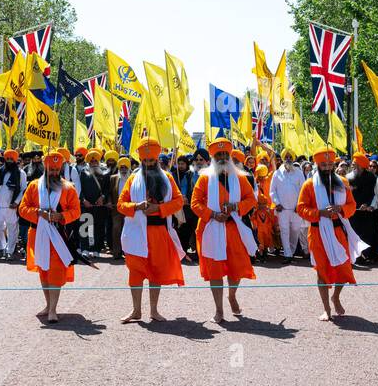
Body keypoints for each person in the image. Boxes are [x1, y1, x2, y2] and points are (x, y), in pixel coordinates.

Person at [117, 138, 185, 323]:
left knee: (156, 271)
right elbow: (120, 205)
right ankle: (136, 310)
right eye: (145, 161)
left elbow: (179, 201)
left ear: (157, 160)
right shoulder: (132, 179)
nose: (148, 164)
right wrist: (136, 206)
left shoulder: (168, 178)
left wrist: (159, 209)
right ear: (141, 160)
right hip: (136, 233)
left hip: (159, 232)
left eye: (151, 161)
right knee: (136, 272)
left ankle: (154, 311)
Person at [191, 138, 257, 322]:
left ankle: (232, 295)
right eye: (218, 154)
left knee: (237, 268)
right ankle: (219, 310)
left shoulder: (241, 178)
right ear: (213, 157)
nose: (221, 157)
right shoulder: (204, 178)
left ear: (229, 156)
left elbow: (251, 200)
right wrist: (212, 214)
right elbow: (195, 203)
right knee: (215, 270)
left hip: (234, 229)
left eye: (224, 154)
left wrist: (236, 206)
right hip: (211, 229)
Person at [297, 146, 363, 321]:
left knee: (343, 268)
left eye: (329, 164)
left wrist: (340, 209)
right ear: (317, 165)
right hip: (317, 232)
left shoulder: (343, 182)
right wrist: (319, 213)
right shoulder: (309, 184)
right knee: (321, 271)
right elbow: (301, 209)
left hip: (338, 231)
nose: (327, 168)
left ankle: (336, 297)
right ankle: (326, 308)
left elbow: (352, 205)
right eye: (323, 165)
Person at [19, 151, 82, 323]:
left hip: (58, 235)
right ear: (45, 167)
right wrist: (38, 213)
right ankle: (48, 304)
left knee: (55, 270)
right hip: (38, 234)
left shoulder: (68, 187)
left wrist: (60, 216)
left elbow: (76, 211)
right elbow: (22, 209)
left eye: (56, 169)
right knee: (44, 271)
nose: (54, 172)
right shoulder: (33, 186)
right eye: (51, 169)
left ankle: (53, 309)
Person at [271, 148, 308, 261]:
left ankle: (290, 252)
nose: (288, 159)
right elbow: (272, 190)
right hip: (282, 209)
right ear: (282, 159)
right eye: (286, 157)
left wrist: (300, 205)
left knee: (295, 231)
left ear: (293, 158)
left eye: (290, 157)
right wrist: (277, 203)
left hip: (296, 209)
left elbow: (303, 190)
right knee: (284, 231)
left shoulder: (299, 172)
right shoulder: (277, 173)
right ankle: (287, 254)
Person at [346, 152, 378, 265]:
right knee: (354, 234)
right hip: (352, 212)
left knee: (366, 234)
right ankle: (355, 256)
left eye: (356, 164)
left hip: (367, 212)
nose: (354, 166)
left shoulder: (372, 177)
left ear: (362, 165)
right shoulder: (348, 177)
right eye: (353, 164)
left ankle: (365, 255)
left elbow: (375, 194)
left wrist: (369, 205)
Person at [0, 150, 22, 258]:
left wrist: (16, 202)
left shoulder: (20, 173)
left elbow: (23, 189)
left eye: (11, 159)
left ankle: (9, 251)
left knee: (12, 230)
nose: (9, 161)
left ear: (15, 160)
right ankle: (3, 247)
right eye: (7, 159)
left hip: (11, 207)